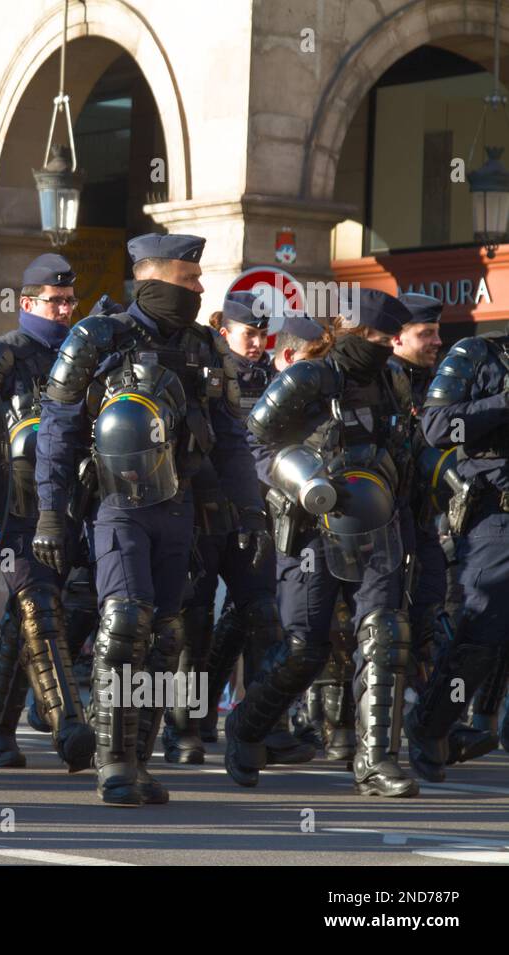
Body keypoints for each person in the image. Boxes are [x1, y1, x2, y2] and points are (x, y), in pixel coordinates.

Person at [35, 233, 263, 806]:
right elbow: (58, 430)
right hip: (118, 505)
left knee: (165, 637)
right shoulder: (97, 336)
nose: (201, 287)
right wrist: (47, 514)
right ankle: (111, 762)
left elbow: (234, 439)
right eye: (191, 280)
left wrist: (249, 512)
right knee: (125, 620)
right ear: (156, 280)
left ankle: (138, 758)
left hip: (180, 504)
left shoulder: (207, 347)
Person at [227, 287, 418, 798]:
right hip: (310, 530)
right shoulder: (308, 378)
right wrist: (300, 477)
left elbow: (405, 451)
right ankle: (246, 727)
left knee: (384, 635)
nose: (385, 345)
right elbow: (255, 441)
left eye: (390, 337)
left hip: (377, 527)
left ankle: (377, 762)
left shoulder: (393, 379)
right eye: (377, 336)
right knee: (303, 649)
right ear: (353, 332)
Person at [0, 254, 95, 774]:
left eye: (69, 300)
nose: (63, 309)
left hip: (68, 509)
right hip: (13, 513)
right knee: (38, 604)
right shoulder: (0, 356)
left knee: (27, 619)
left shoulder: (84, 357)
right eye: (54, 300)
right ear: (27, 302)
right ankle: (68, 726)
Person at [163, 292, 308, 766]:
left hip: (256, 511)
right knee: (195, 619)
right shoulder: (198, 374)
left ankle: (267, 725)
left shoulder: (273, 381)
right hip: (203, 511)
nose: (258, 343)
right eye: (249, 334)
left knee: (261, 613)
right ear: (224, 332)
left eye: (264, 335)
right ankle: (184, 724)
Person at [406, 325, 509, 781]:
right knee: (479, 634)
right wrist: (503, 402)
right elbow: (437, 426)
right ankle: (432, 727)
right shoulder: (479, 353)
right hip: (496, 516)